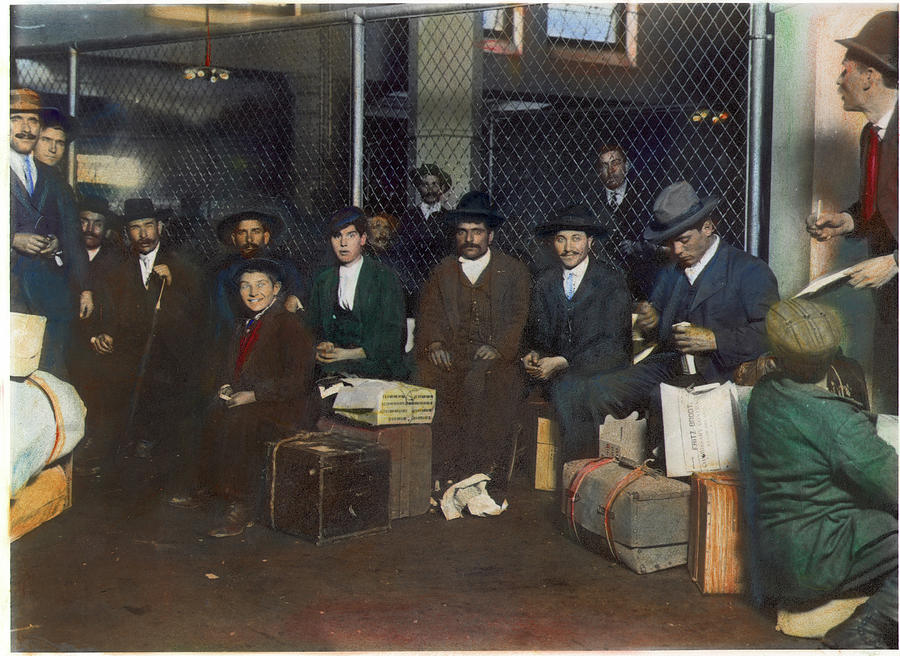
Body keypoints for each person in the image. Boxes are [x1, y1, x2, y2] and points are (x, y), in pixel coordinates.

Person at [747, 298, 897, 650]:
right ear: (833, 358)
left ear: (777, 355)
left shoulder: (764, 394)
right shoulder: (837, 420)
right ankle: (867, 628)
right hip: (817, 560)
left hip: (776, 556)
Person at [586, 181, 780, 451]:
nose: (676, 250)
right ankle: (606, 474)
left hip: (722, 372)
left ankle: (664, 486)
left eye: (684, 240)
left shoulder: (750, 271)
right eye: (670, 242)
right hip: (672, 365)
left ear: (708, 228)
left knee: (662, 401)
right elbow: (661, 330)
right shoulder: (672, 272)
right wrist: (651, 322)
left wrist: (715, 339)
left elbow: (771, 334)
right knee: (600, 391)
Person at [176, 259, 318, 538]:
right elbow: (231, 368)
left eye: (261, 285)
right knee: (209, 409)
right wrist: (226, 387)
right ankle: (207, 487)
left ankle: (242, 504)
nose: (253, 292)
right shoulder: (243, 325)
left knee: (243, 421)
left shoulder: (288, 324)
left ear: (276, 289)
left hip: (284, 406)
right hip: (252, 399)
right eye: (245, 286)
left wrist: (253, 395)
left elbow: (298, 380)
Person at [805, 11, 898, 413]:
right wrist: (846, 221)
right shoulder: (871, 134)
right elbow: (881, 205)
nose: (838, 81)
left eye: (845, 70)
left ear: (869, 77)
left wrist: (895, 262)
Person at [416, 191, 530, 484]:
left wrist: (499, 347)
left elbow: (519, 317)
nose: (469, 239)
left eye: (477, 232)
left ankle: (480, 469)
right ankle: (437, 469)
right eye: (463, 232)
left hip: (497, 359)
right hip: (454, 354)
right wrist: (436, 343)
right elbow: (429, 316)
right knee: (423, 375)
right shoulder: (442, 272)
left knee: (483, 383)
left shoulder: (513, 271)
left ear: (490, 236)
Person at [91, 198, 204, 481]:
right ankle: (116, 450)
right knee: (110, 379)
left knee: (165, 386)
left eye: (148, 226)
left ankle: (154, 450)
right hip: (133, 352)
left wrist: (174, 283)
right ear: (126, 233)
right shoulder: (118, 269)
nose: (143, 234)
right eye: (135, 228)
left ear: (160, 227)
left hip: (173, 354)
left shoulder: (182, 264)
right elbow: (112, 312)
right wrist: (105, 332)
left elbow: (199, 311)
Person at [522, 204, 632, 467]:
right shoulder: (544, 282)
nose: (568, 247)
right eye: (561, 239)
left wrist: (564, 362)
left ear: (590, 242)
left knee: (571, 391)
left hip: (600, 371)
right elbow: (537, 337)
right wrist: (533, 355)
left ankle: (578, 477)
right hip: (555, 373)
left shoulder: (611, 281)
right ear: (553, 243)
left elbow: (616, 347)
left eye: (576, 238)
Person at [10, 88, 93, 377]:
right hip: (12, 286)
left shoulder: (55, 183)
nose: (54, 148)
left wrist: (57, 247)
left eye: (60, 143)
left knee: (49, 368)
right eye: (47, 139)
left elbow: (71, 238)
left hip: (48, 289)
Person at [306, 206, 408, 380]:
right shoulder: (324, 280)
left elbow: (394, 336)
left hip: (374, 367)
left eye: (350, 235)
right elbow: (312, 328)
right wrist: (320, 347)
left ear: (362, 239)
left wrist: (349, 354)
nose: (343, 243)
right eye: (337, 236)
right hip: (333, 367)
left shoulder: (383, 277)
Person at [68, 196, 127, 474]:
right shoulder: (64, 254)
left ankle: (95, 448)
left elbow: (119, 306)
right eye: (84, 221)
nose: (90, 229)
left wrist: (107, 334)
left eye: (98, 224)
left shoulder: (116, 260)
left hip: (100, 341)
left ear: (107, 229)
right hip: (71, 337)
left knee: (103, 379)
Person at [209, 209, 305, 351]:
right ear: (234, 238)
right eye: (242, 233)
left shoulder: (285, 267)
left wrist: (293, 298)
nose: (249, 239)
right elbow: (222, 320)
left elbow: (298, 291)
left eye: (255, 231)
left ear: (266, 236)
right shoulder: (225, 274)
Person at [395, 163, 455, 314]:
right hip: (413, 281)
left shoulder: (448, 218)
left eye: (435, 184)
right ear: (419, 188)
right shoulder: (409, 216)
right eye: (425, 184)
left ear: (442, 188)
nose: (430, 189)